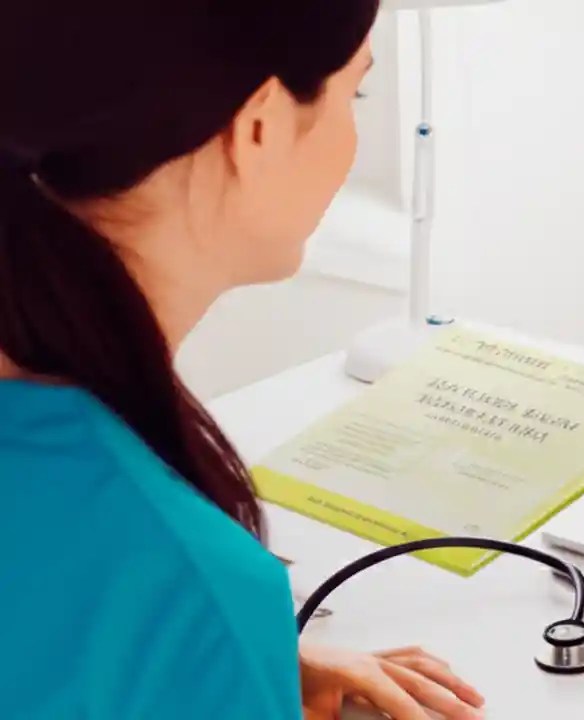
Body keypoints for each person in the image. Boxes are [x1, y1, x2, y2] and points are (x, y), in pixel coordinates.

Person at [0, 2, 485, 718]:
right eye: (354, 93)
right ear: (257, 129)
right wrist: (210, 655)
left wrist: (233, 663)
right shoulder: (179, 579)